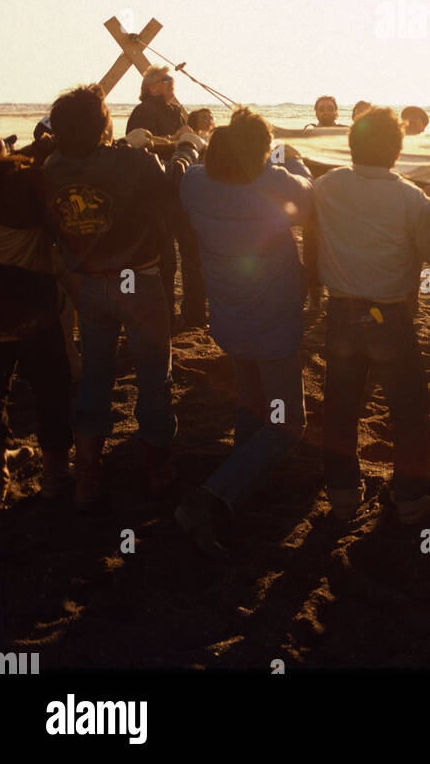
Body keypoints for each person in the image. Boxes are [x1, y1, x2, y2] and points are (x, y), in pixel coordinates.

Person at [39, 84, 201, 509]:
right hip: (139, 279)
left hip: (91, 283)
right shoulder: (132, 161)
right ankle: (156, 471)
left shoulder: (52, 167)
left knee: (95, 375)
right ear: (103, 125)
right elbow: (173, 186)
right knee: (153, 377)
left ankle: (87, 478)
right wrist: (186, 148)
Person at [175, 109, 314, 555]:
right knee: (287, 423)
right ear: (261, 153)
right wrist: (291, 159)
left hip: (229, 316)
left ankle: (244, 485)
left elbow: (197, 165)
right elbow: (307, 198)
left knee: (252, 405)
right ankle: (212, 496)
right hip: (272, 319)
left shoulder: (195, 182)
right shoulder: (275, 182)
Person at [311, 106, 430, 524]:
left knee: (341, 405)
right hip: (390, 313)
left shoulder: (327, 185)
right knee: (408, 407)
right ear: (398, 152)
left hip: (341, 308)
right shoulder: (411, 198)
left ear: (351, 146)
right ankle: (407, 497)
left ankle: (343, 494)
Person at [0, 136, 72, 504]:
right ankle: (56, 471)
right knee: (52, 389)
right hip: (34, 310)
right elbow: (61, 226)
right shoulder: (27, 183)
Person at [126, 67, 206, 328]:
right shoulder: (143, 111)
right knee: (165, 259)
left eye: (172, 78)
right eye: (166, 79)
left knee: (193, 253)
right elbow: (138, 147)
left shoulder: (177, 110)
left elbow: (190, 141)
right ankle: (166, 316)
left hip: (185, 189)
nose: (172, 82)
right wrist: (178, 139)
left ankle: (194, 315)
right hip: (158, 192)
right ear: (151, 87)